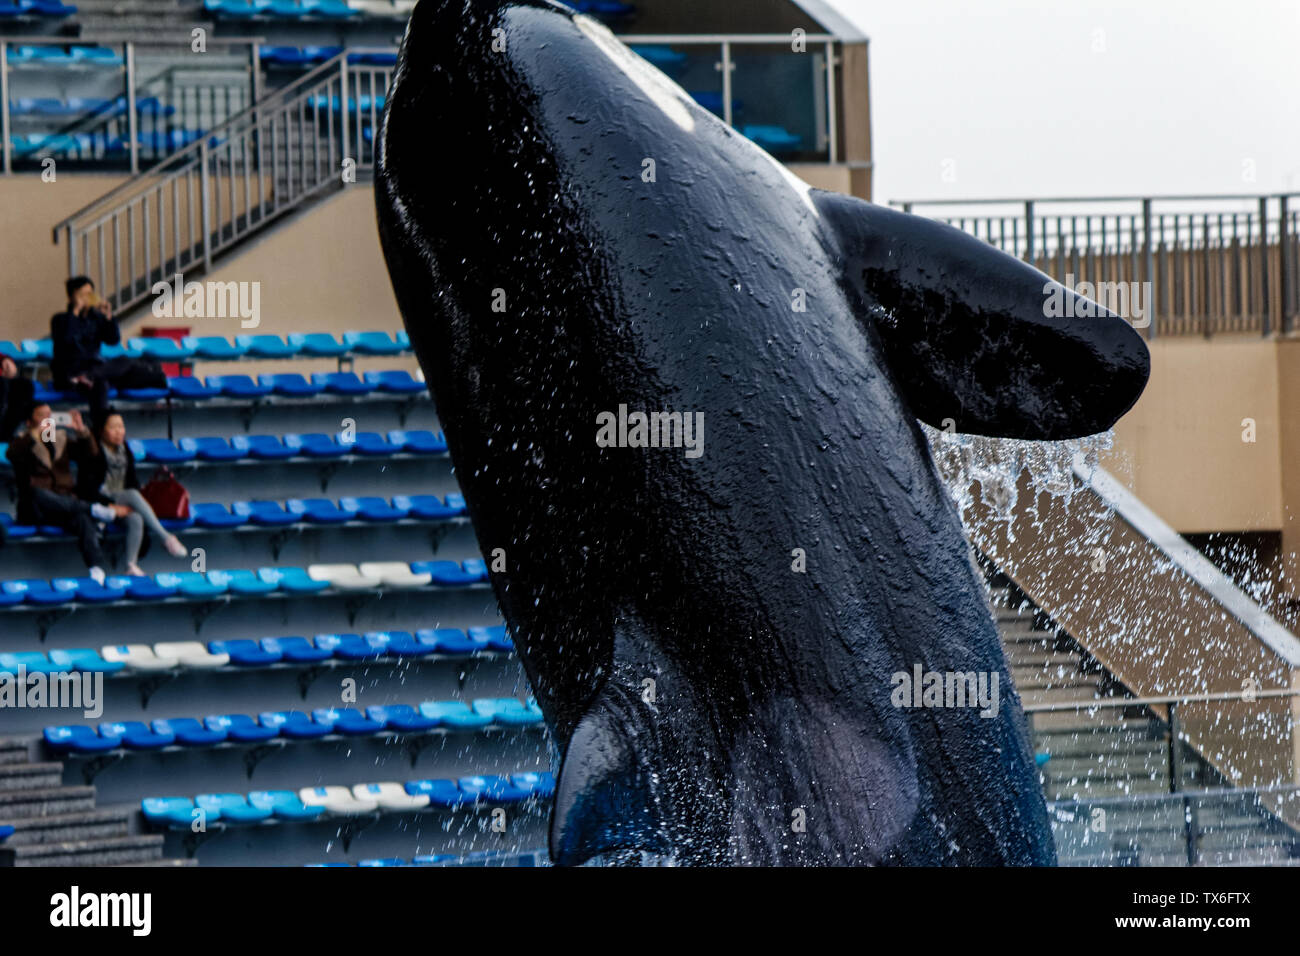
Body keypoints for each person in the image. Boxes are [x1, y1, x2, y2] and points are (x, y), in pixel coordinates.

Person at [5, 402, 121, 582]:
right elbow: (11, 454)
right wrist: (34, 434)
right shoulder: (22, 442)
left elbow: (91, 455)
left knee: (81, 519)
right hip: (36, 507)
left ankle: (96, 568)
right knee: (37, 493)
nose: (47, 418)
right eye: (41, 415)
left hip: (63, 505)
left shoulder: (61, 439)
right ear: (29, 421)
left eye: (49, 414)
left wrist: (81, 431)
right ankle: (91, 508)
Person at [77, 409, 187, 576]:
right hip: (101, 501)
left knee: (135, 518)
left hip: (122, 500)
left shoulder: (124, 449)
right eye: (113, 427)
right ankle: (166, 537)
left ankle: (131, 564)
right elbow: (86, 489)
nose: (119, 431)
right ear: (101, 430)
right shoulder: (93, 452)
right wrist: (110, 505)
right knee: (132, 495)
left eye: (121, 426)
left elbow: (132, 481)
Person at [51, 276, 167, 419]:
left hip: (96, 370)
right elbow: (66, 341)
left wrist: (108, 317)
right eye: (82, 294)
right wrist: (74, 311)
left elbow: (113, 340)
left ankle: (89, 377)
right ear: (72, 297)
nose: (87, 298)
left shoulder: (96, 318)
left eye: (90, 293)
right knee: (102, 382)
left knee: (126, 362)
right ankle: (102, 425)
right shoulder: (60, 319)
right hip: (71, 373)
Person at [0, 355, 35, 440]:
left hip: (5, 377)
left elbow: (5, 361)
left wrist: (6, 360)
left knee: (24, 385)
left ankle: (7, 433)